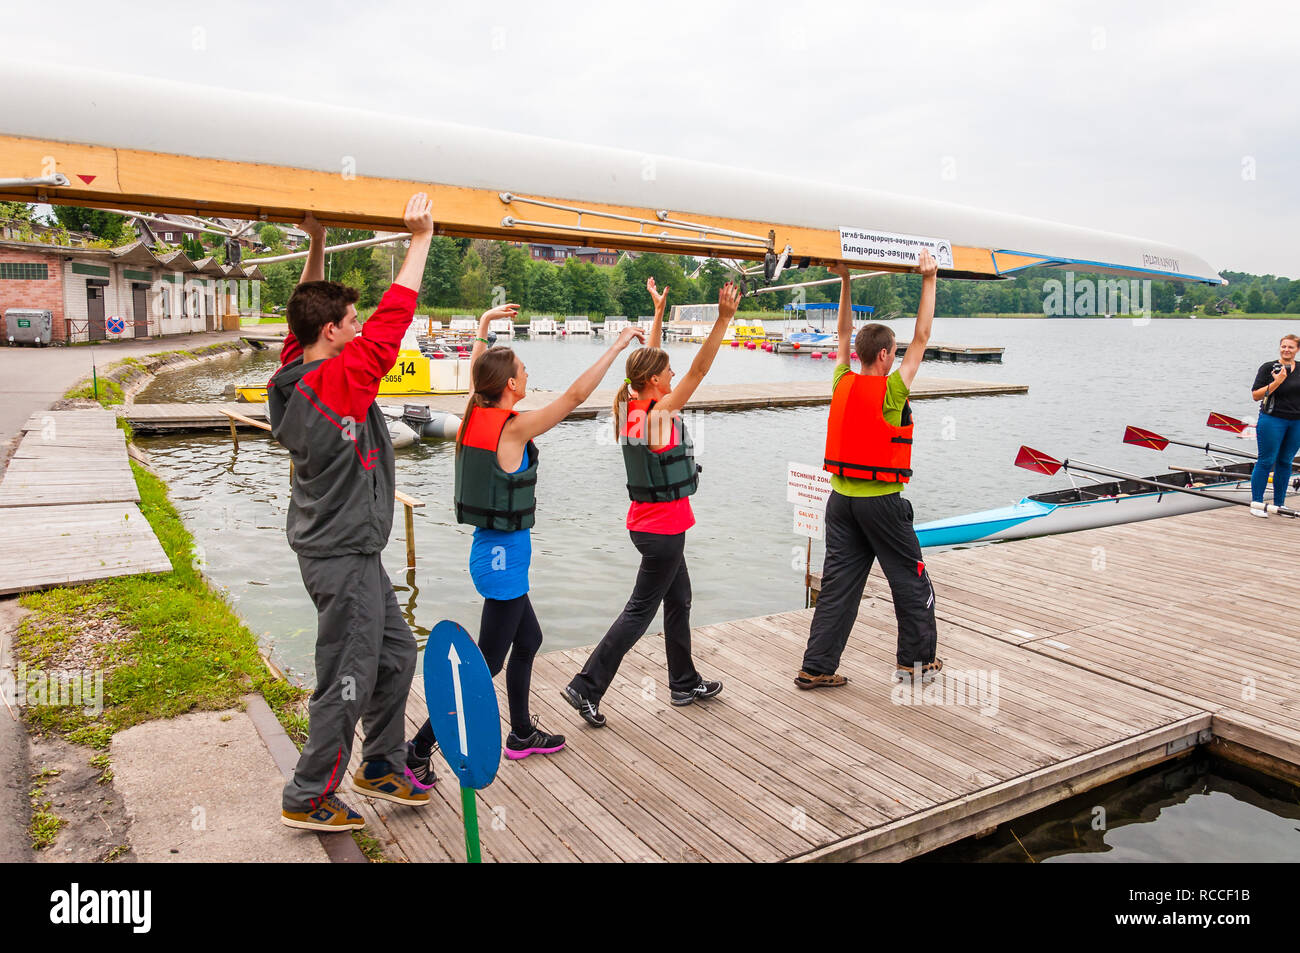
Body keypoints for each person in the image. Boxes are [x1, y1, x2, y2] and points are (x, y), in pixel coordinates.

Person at [406, 310, 647, 764]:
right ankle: (418, 750)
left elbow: (479, 373)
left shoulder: (475, 411)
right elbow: (575, 396)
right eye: (522, 370)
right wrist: (615, 347)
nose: (527, 372)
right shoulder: (512, 428)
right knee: (487, 664)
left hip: (496, 554)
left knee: (529, 640)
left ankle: (519, 733)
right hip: (501, 562)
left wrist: (483, 325)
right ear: (511, 386)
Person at [271, 195, 436, 833]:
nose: (360, 325)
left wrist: (318, 238)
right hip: (340, 555)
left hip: (346, 552)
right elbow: (393, 324)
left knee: (395, 658)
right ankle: (309, 792)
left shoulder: (296, 372)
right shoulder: (337, 382)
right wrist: (419, 239)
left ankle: (381, 763)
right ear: (336, 333)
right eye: (352, 319)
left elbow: (303, 311)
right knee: (345, 677)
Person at [562, 279, 741, 727]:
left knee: (679, 600)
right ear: (653, 382)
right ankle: (586, 686)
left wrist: (658, 313)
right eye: (667, 374)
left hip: (653, 527)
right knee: (640, 611)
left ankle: (683, 682)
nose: (675, 376)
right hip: (662, 533)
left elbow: (652, 362)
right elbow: (698, 372)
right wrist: (722, 319)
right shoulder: (659, 416)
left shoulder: (632, 407)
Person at [795, 250, 941, 689]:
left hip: (840, 504)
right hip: (881, 505)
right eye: (894, 352)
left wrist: (846, 281)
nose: (898, 357)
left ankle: (817, 666)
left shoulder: (841, 380)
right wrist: (929, 278)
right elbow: (924, 335)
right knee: (912, 581)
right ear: (883, 355)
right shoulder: (893, 389)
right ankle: (916, 665)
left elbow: (842, 332)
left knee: (838, 586)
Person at [1248, 333, 1300, 516]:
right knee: (1266, 461)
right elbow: (1256, 396)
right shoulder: (1268, 368)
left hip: (1296, 423)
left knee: (1285, 462)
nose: (1286, 350)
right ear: (1280, 348)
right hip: (1272, 419)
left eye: (1291, 347)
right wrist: (1277, 382)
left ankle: (1279, 504)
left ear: (1297, 350)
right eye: (1284, 346)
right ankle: (1256, 504)